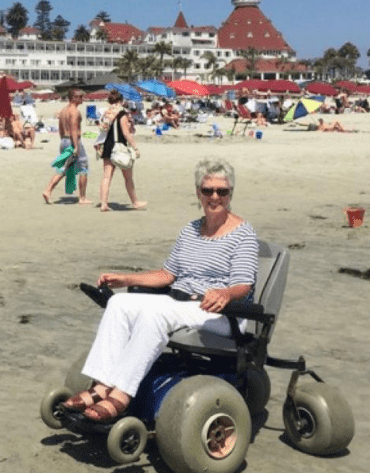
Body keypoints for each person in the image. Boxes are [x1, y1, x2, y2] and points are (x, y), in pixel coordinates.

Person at [62, 157, 258, 421]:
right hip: (182, 304)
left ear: (230, 193)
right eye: (208, 190)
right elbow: (167, 275)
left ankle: (122, 395)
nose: (215, 197)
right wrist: (126, 279)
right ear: (198, 192)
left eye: (222, 191)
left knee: (155, 315)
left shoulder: (243, 234)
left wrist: (225, 293)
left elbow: (243, 285)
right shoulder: (191, 230)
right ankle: (102, 385)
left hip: (220, 314)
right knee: (119, 303)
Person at [98, 90, 146, 212]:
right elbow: (126, 133)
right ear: (121, 101)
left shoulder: (106, 113)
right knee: (128, 177)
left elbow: (102, 130)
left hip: (107, 146)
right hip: (120, 146)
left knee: (106, 177)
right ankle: (135, 202)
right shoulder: (121, 114)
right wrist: (135, 147)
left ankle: (103, 204)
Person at [42, 88, 91, 204]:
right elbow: (74, 130)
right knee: (83, 168)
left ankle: (48, 190)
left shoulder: (63, 110)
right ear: (73, 98)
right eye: (80, 97)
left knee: (65, 168)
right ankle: (82, 197)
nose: (82, 99)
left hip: (64, 140)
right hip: (73, 141)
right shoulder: (74, 112)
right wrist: (75, 146)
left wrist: (64, 142)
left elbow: (60, 128)